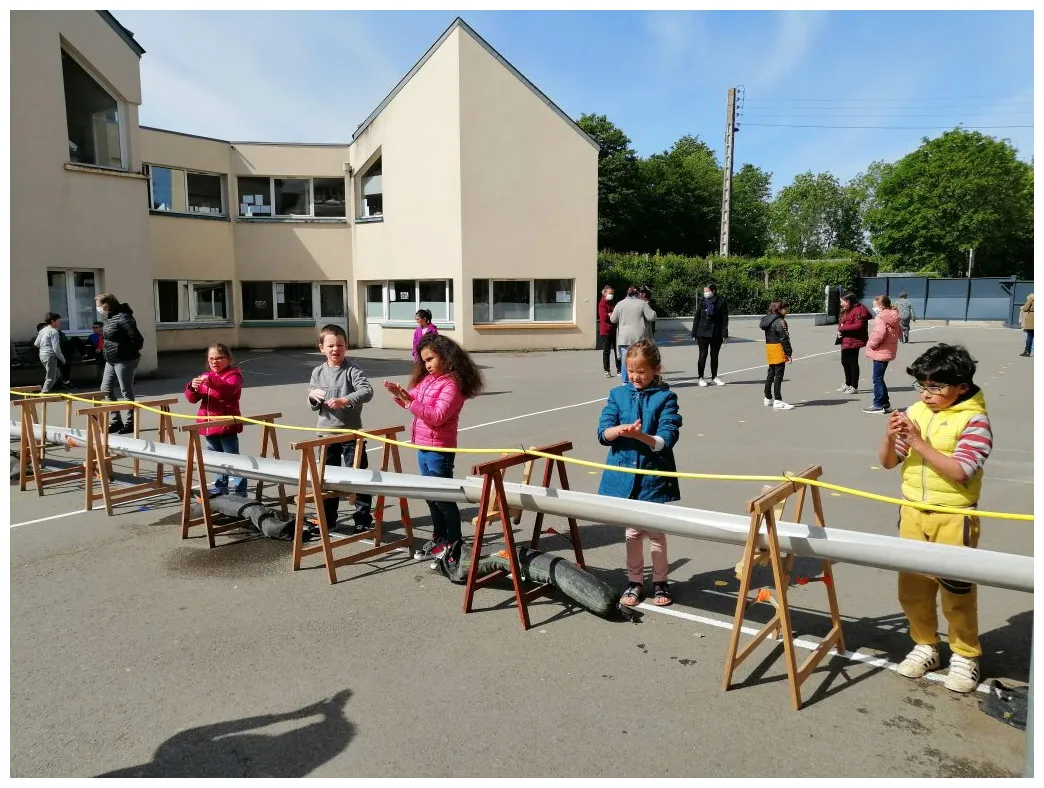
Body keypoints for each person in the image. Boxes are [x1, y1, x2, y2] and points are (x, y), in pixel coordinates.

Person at [878, 344, 992, 693]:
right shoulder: (916, 411)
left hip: (955, 517)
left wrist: (919, 442)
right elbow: (888, 462)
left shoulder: (974, 420)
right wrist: (891, 437)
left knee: (957, 593)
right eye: (922, 386)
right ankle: (926, 644)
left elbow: (960, 471)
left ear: (961, 386)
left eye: (936, 387)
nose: (926, 394)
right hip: (912, 511)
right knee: (912, 589)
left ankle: (965, 654)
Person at [384, 334, 485, 565]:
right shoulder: (429, 380)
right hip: (423, 446)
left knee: (444, 500)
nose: (427, 365)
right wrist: (401, 395)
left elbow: (438, 416)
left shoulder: (453, 385)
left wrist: (410, 403)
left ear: (446, 357)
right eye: (424, 361)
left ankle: (455, 545)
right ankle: (439, 538)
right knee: (431, 497)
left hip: (439, 449)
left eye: (430, 359)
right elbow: (415, 400)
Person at [597, 340, 682, 608]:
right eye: (631, 370)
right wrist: (618, 430)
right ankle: (634, 581)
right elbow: (603, 432)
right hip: (625, 476)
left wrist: (640, 436)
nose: (635, 376)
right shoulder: (617, 395)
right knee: (632, 532)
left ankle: (660, 581)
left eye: (641, 371)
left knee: (656, 532)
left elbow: (666, 438)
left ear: (656, 370)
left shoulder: (666, 398)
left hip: (653, 476)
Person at [307, 324, 374, 534]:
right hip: (326, 435)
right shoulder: (318, 372)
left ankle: (363, 518)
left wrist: (345, 400)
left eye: (340, 345)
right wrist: (312, 397)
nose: (335, 349)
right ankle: (327, 519)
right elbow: (313, 402)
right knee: (328, 479)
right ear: (321, 348)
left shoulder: (352, 370)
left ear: (346, 346)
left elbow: (367, 391)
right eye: (330, 346)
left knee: (359, 477)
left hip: (351, 435)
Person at [184, 343, 247, 497]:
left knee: (233, 459)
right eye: (211, 358)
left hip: (226, 426)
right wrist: (192, 387)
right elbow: (192, 399)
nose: (214, 362)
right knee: (216, 460)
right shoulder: (206, 376)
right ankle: (221, 490)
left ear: (228, 359)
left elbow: (228, 390)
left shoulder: (234, 375)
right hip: (209, 426)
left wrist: (211, 381)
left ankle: (241, 491)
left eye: (219, 358)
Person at [96, 293, 145, 434]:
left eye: (99, 306)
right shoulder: (110, 317)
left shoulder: (124, 317)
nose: (98, 309)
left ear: (107, 305)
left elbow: (137, 339)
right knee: (105, 389)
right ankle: (116, 421)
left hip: (125, 359)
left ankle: (131, 422)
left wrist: (127, 351)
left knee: (126, 390)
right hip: (111, 359)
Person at [610, 286, 656, 384]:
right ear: (637, 294)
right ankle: (639, 380)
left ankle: (625, 382)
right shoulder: (642, 303)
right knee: (640, 358)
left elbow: (613, 319)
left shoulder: (620, 304)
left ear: (627, 294)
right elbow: (651, 317)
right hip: (639, 337)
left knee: (625, 360)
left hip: (624, 338)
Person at [864, 295, 901, 414]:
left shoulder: (881, 316)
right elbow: (898, 332)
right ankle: (885, 403)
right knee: (879, 377)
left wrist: (871, 344)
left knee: (877, 378)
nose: (873, 308)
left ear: (881, 306)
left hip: (880, 351)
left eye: (874, 306)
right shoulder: (893, 315)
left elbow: (880, 333)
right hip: (888, 350)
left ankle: (879, 404)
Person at [690, 282, 729, 386]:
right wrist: (694, 332)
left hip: (716, 333)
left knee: (714, 355)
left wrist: (724, 333)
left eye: (707, 291)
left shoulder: (721, 301)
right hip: (702, 332)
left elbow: (725, 318)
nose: (705, 293)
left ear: (713, 291)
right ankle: (701, 377)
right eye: (704, 291)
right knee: (703, 355)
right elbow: (697, 317)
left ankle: (714, 377)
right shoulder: (702, 301)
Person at [760, 299, 793, 410]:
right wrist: (789, 353)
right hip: (778, 348)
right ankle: (778, 400)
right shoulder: (780, 321)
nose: (786, 310)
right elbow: (784, 338)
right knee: (779, 375)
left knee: (771, 373)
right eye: (785, 308)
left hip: (770, 348)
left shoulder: (767, 319)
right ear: (779, 309)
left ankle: (767, 397)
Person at [837, 293, 871, 394]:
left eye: (842, 301)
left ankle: (854, 385)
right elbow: (842, 322)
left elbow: (859, 325)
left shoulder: (858, 310)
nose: (841, 303)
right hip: (846, 339)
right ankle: (847, 383)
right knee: (844, 362)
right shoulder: (847, 309)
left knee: (852, 363)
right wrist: (840, 330)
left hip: (854, 340)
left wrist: (842, 328)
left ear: (848, 301)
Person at [33, 312, 65, 394]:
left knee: (56, 374)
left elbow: (36, 344)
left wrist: (44, 347)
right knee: (51, 378)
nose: (59, 323)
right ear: (52, 321)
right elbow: (56, 348)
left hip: (42, 355)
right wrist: (63, 359)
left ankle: (46, 387)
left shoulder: (42, 330)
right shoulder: (54, 332)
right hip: (50, 356)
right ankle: (43, 393)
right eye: (58, 321)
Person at [596, 285, 619, 378]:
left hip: (614, 329)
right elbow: (603, 317)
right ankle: (607, 370)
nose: (611, 295)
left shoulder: (613, 302)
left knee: (617, 351)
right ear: (604, 293)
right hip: (605, 331)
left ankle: (619, 369)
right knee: (607, 351)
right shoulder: (602, 304)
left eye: (612, 293)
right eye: (609, 293)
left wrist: (611, 314)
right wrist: (610, 314)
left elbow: (616, 314)